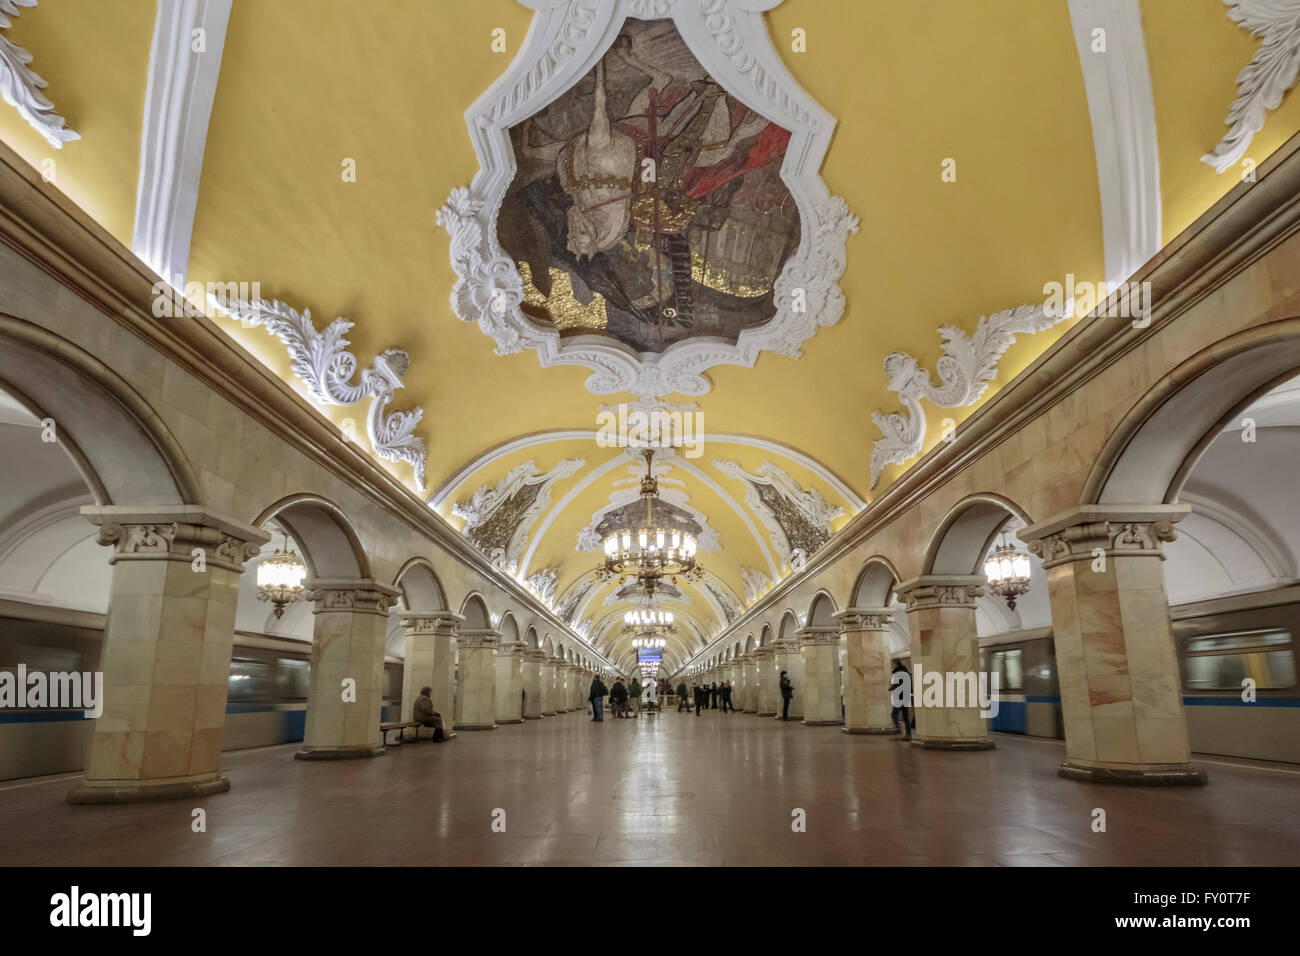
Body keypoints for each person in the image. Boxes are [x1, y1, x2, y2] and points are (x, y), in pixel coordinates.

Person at [890, 659, 913, 740]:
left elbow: (895, 684)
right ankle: (908, 735)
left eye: (892, 664)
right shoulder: (906, 672)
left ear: (895, 663)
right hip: (907, 696)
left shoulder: (897, 673)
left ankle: (897, 731)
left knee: (893, 714)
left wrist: (890, 688)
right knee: (905, 716)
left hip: (900, 697)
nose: (891, 665)